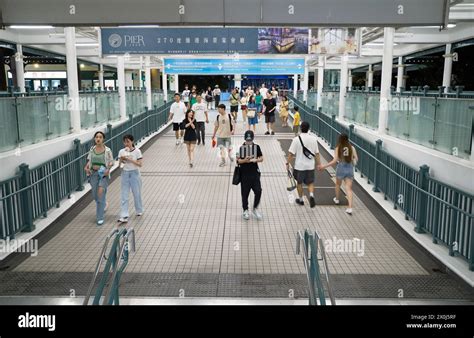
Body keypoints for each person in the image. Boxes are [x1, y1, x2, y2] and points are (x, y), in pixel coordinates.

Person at [318, 133, 358, 215]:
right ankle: (350, 207)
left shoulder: (338, 148)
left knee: (337, 184)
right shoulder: (352, 148)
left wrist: (324, 166)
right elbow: (356, 159)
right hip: (349, 168)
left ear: (340, 140)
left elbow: (334, 161)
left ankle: (337, 199)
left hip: (341, 168)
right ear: (347, 139)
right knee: (349, 188)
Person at [286, 121, 321, 208]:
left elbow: (291, 153)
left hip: (299, 166)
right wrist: (319, 164)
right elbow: (317, 153)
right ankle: (311, 195)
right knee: (310, 182)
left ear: (300, 128)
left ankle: (301, 200)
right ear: (309, 129)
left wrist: (287, 163)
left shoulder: (296, 139)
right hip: (310, 166)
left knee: (299, 183)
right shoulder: (313, 139)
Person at [84, 131, 114, 225]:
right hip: (93, 174)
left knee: (100, 194)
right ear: (94, 139)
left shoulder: (107, 150)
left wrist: (108, 169)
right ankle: (104, 204)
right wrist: (86, 167)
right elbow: (89, 161)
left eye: (100, 137)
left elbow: (111, 162)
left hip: (103, 175)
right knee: (95, 195)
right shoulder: (92, 149)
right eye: (96, 137)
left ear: (103, 139)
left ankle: (99, 217)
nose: (98, 139)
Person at [237, 130, 263, 221]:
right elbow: (238, 161)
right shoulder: (241, 148)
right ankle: (245, 210)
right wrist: (245, 160)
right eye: (247, 140)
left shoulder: (257, 147)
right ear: (245, 139)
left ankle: (255, 208)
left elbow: (262, 158)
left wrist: (255, 160)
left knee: (258, 191)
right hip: (244, 175)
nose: (249, 142)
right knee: (245, 194)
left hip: (255, 174)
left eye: (250, 140)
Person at [117, 134, 144, 223]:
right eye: (125, 142)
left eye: (128, 141)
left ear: (132, 141)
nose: (126, 143)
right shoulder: (121, 151)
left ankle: (139, 210)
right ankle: (124, 215)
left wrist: (130, 159)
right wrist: (122, 159)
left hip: (135, 173)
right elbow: (120, 166)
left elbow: (140, 164)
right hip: (125, 173)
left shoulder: (137, 151)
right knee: (124, 195)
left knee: (136, 193)